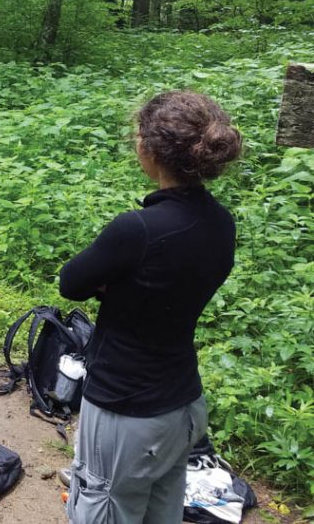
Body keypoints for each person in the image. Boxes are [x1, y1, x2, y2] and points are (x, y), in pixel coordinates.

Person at [60, 91, 242, 523]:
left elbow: (71, 283)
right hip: (183, 404)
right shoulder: (221, 222)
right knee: (161, 511)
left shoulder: (138, 229)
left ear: (149, 149)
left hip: (126, 410)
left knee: (105, 508)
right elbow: (173, 284)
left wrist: (115, 285)